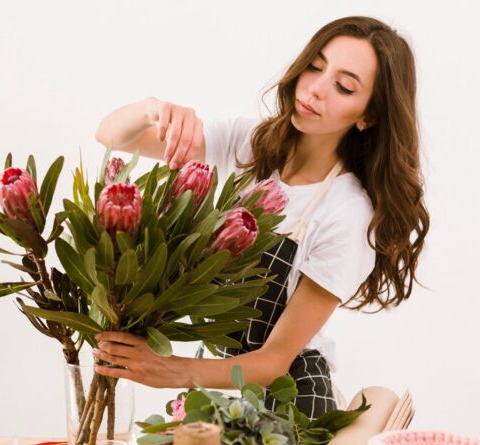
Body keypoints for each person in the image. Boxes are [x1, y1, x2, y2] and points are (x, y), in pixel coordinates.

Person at [91, 16, 429, 418]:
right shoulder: (249, 145)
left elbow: (273, 362)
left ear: (367, 116)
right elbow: (111, 137)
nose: (315, 90)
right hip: (211, 389)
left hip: (289, 402)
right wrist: (154, 110)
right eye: (316, 66)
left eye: (343, 86)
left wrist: (169, 370)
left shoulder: (347, 213)